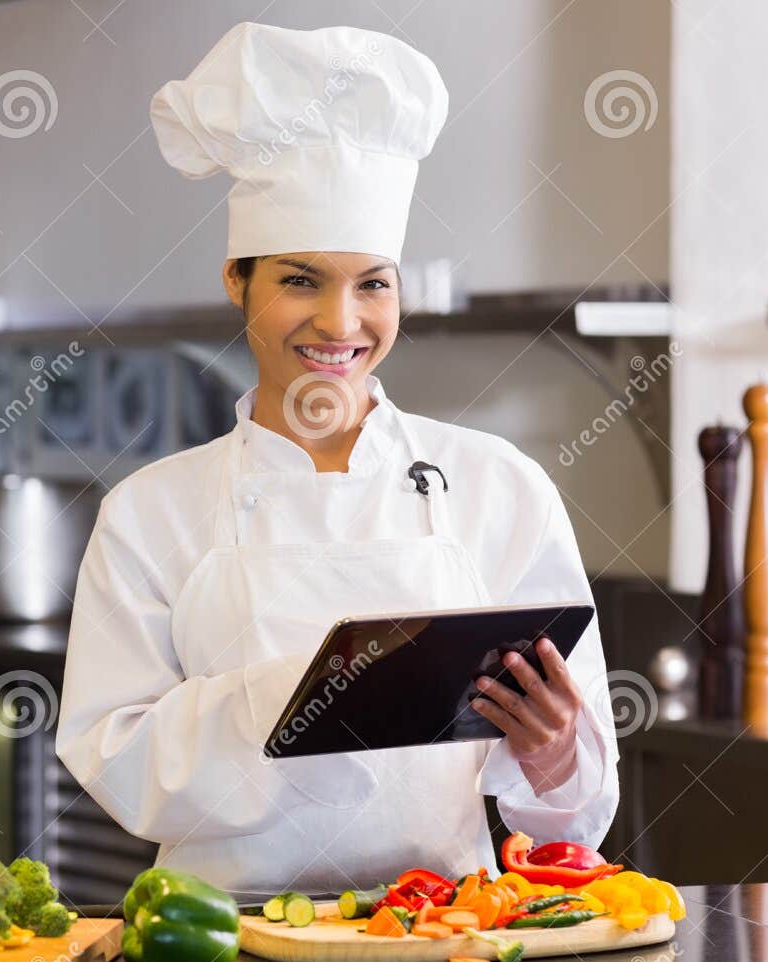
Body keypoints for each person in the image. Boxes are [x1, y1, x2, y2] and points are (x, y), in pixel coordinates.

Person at [54, 22, 618, 896]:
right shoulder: (150, 511)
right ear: (237, 280)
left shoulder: (498, 486)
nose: (341, 323)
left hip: (445, 935)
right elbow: (113, 756)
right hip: (221, 945)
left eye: (373, 284)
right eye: (301, 279)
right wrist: (303, 698)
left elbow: (574, 820)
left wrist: (552, 753)